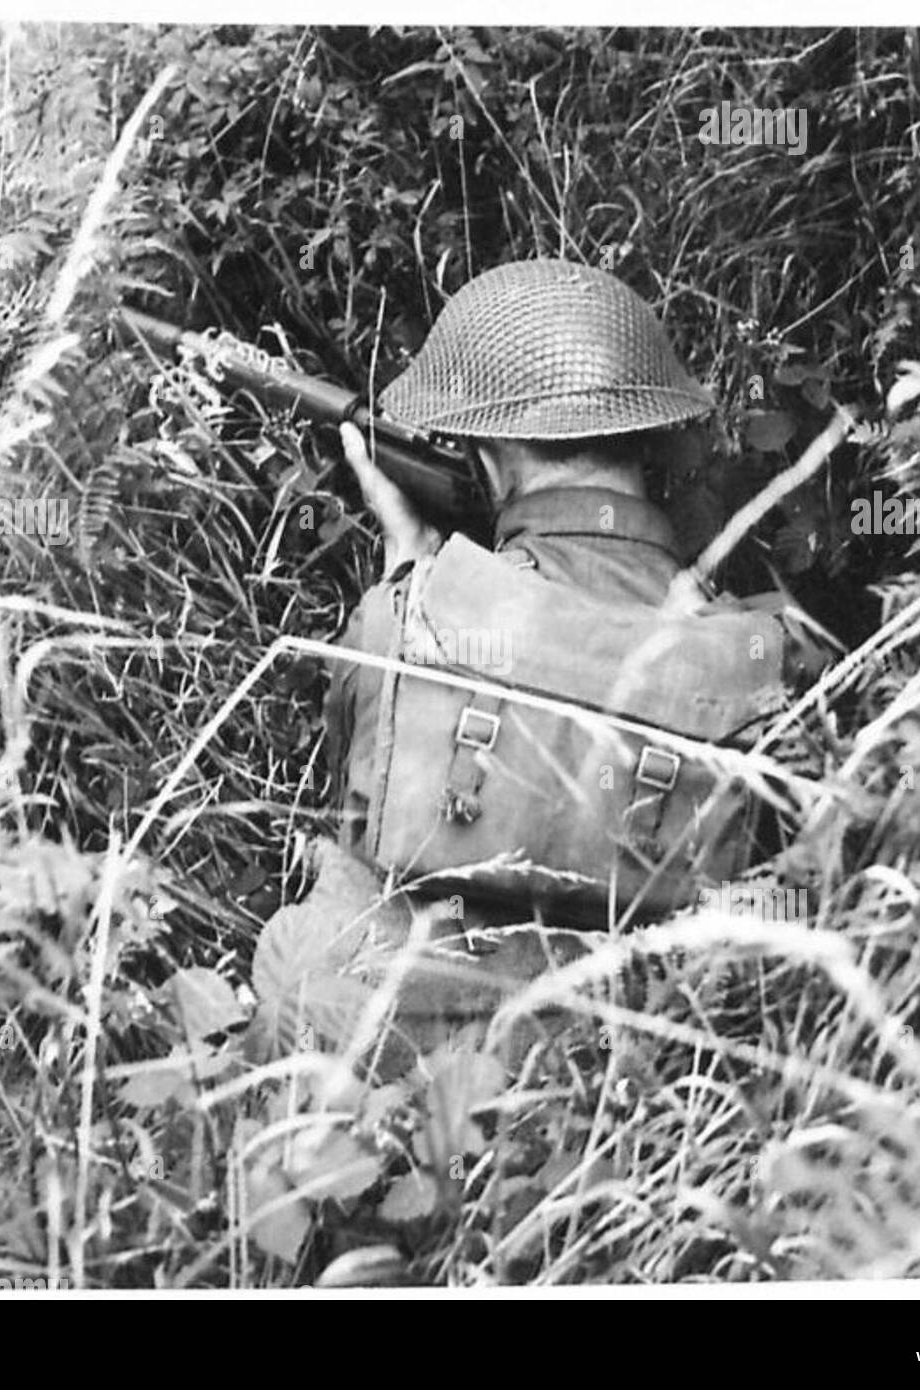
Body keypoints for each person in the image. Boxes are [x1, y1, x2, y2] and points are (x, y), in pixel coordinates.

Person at [246, 259, 829, 1072]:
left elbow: (360, 829)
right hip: (661, 1067)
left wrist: (407, 580)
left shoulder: (407, 621)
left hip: (408, 1065)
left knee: (296, 948)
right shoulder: (774, 654)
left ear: (488, 462)